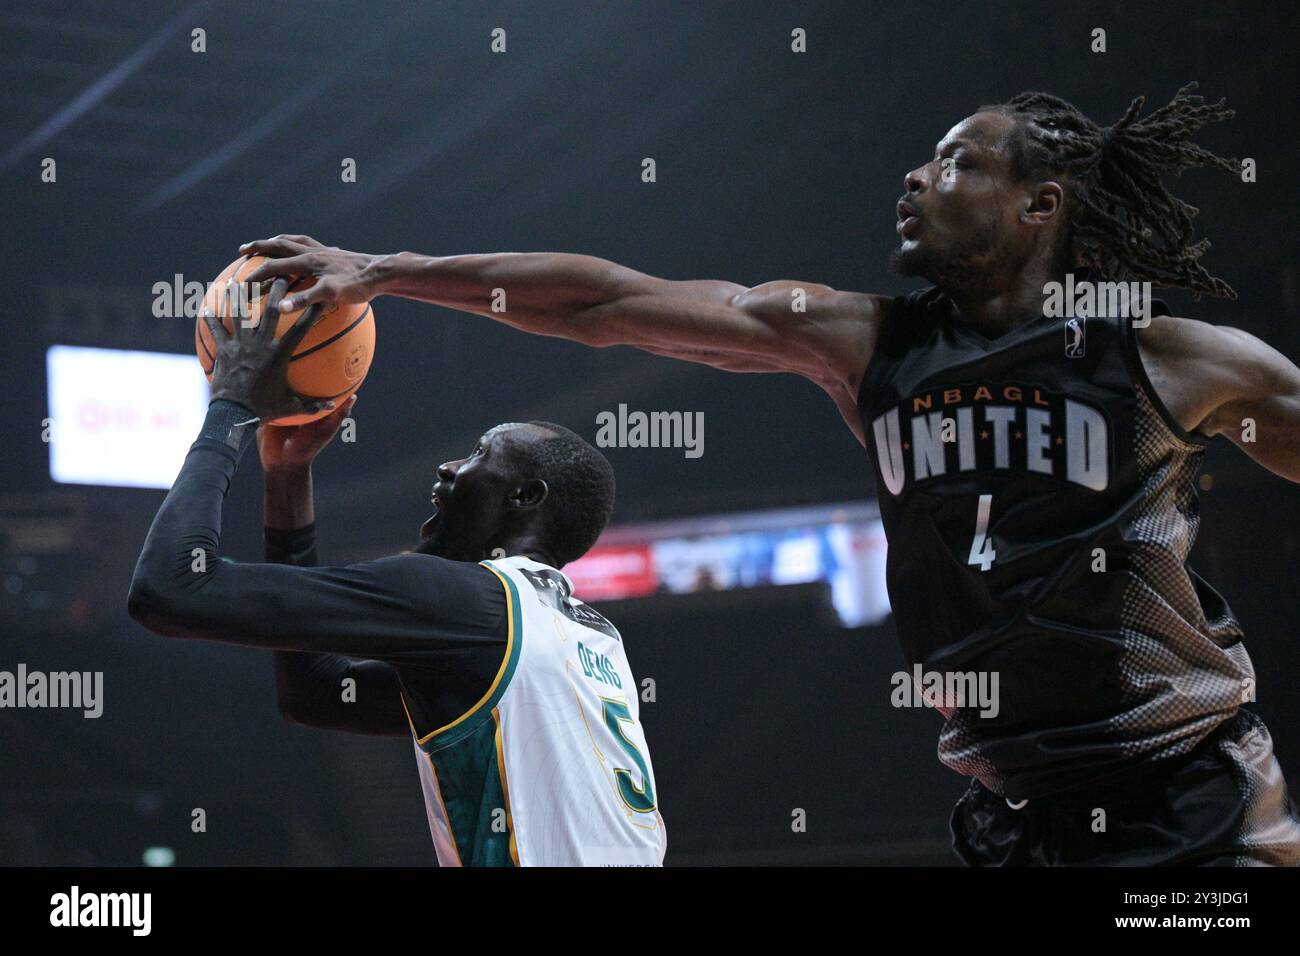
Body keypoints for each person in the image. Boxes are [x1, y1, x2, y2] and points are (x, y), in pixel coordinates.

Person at [240, 83, 1300, 865]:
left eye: (959, 161)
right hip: (1014, 803)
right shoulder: (866, 342)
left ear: (1041, 206)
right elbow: (609, 303)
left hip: (1186, 790)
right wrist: (386, 270)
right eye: (928, 158)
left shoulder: (1169, 359)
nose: (918, 176)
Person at [128, 280, 666, 866]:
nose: (450, 465)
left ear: (524, 497)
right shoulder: (593, 639)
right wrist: (287, 478)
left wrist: (229, 410)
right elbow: (320, 694)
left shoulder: (467, 601)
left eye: (480, 455)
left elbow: (172, 587)